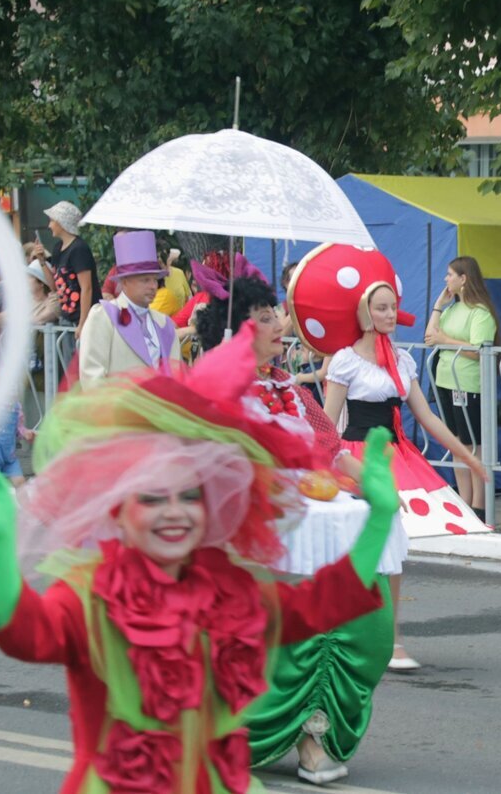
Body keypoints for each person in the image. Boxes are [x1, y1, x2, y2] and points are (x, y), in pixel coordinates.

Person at [0, 322, 398, 794]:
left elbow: (319, 605)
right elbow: (26, 634)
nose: (174, 513)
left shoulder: (230, 590)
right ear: (120, 509)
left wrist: (379, 519)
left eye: (189, 496)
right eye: (153, 499)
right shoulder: (94, 592)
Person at [196, 278, 389, 783]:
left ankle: (315, 728)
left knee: (348, 620)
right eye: (263, 317)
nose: (280, 324)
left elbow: (330, 450)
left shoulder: (291, 389)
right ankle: (298, 738)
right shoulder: (217, 388)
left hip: (311, 521)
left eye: (274, 313)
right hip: (251, 532)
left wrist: (369, 481)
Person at [290, 245, 491, 672]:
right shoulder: (344, 360)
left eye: (392, 307)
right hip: (357, 455)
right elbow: (328, 423)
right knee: (359, 549)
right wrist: (340, 464)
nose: (388, 314)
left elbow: (427, 417)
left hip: (396, 457)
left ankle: (391, 640)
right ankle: (343, 633)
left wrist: (468, 457)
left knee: (394, 551)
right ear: (364, 313)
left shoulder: (401, 360)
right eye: (380, 308)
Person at [424, 256, 500, 518]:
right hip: (446, 382)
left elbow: (480, 350)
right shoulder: (451, 310)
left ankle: (479, 504)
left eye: (449, 274)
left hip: (469, 386)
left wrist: (445, 339)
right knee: (457, 444)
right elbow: (429, 336)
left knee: (473, 444)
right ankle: (463, 499)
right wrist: (437, 307)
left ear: (463, 278)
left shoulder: (480, 313)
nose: (446, 280)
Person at [79, 231, 182, 390]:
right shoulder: (104, 316)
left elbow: (176, 376)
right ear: (124, 282)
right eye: (145, 280)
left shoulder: (164, 324)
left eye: (155, 279)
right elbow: (92, 378)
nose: (153, 286)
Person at [42, 201, 101, 340]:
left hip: (82, 318)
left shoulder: (79, 249)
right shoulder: (57, 248)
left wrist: (82, 323)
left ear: (62, 223)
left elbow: (86, 288)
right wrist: (42, 261)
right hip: (67, 317)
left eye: (52, 221)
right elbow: (54, 286)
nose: (49, 225)